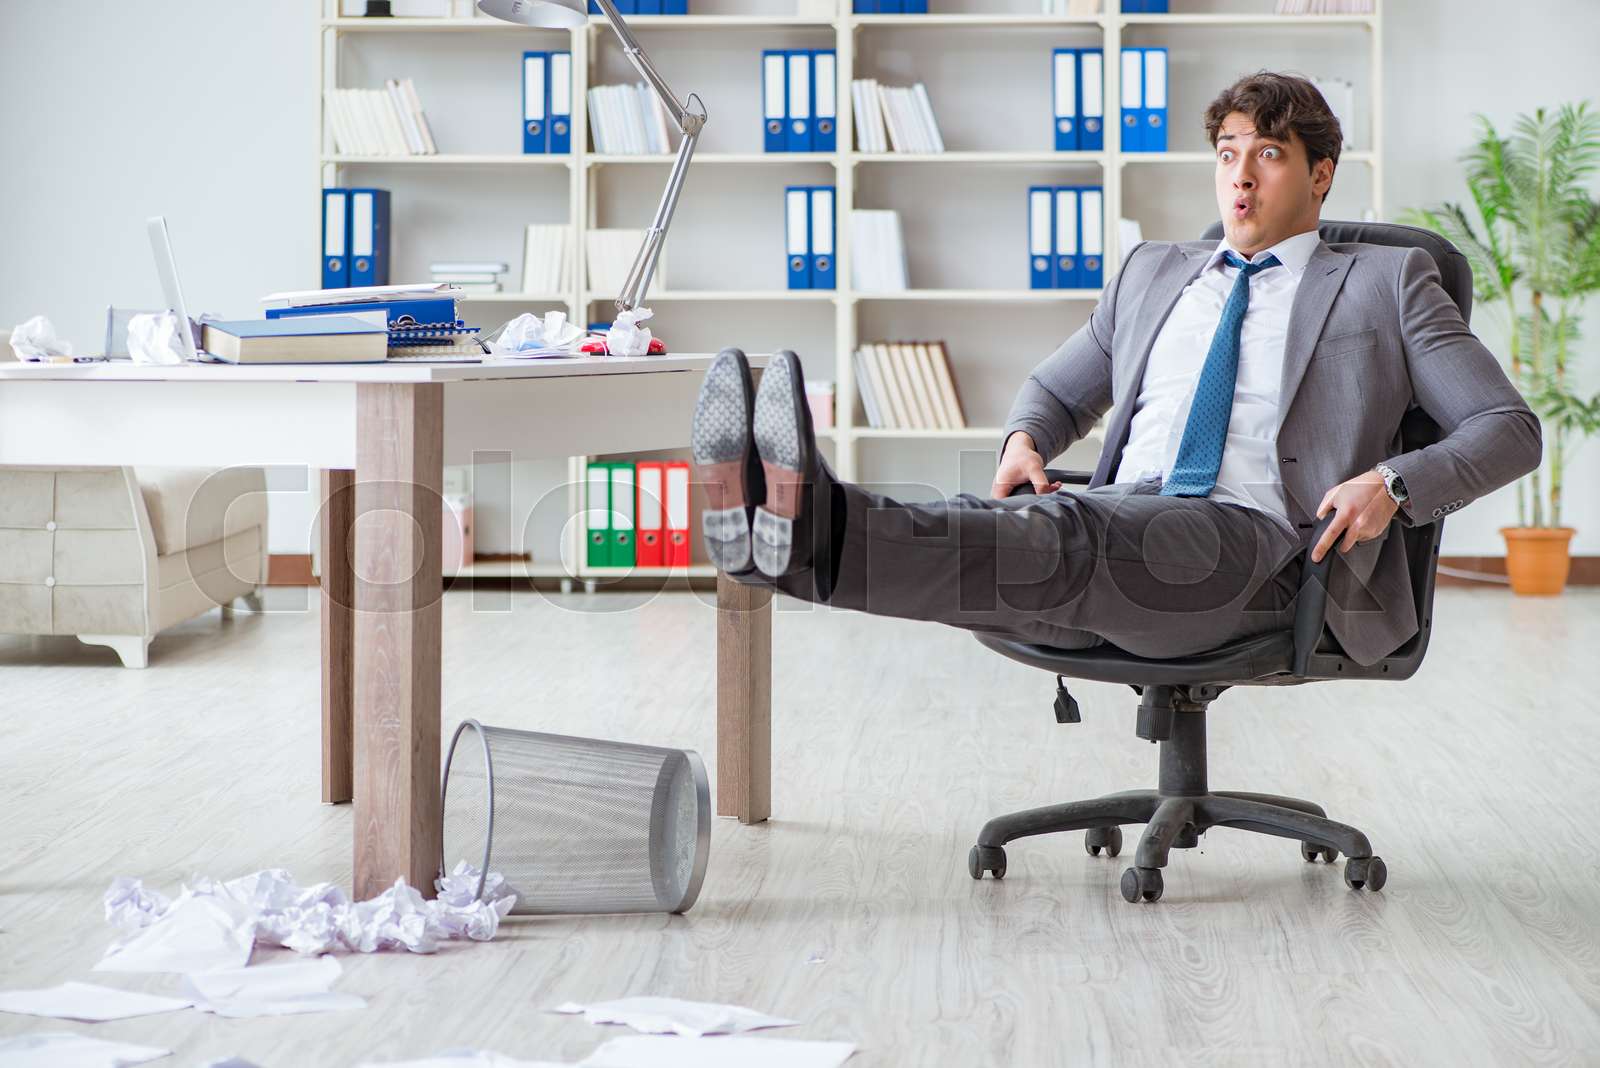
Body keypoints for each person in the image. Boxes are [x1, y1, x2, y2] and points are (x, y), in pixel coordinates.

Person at [689, 71, 1542, 665]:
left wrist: (1390, 485)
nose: (1240, 176)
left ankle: (809, 535)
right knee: (1032, 523)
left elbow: (1508, 430)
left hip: (1265, 547)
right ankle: (791, 544)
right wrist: (1026, 439)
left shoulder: (1387, 281)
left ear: (1321, 175)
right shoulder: (1155, 272)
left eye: (1269, 154)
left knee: (1063, 537)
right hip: (1122, 524)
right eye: (1227, 151)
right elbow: (1059, 390)